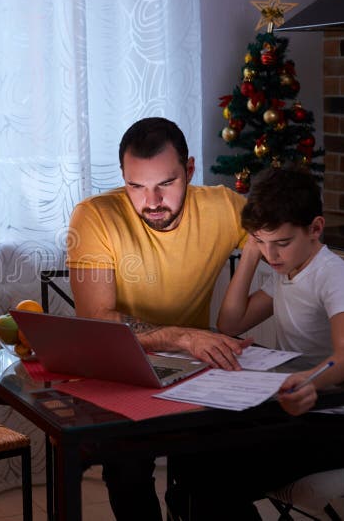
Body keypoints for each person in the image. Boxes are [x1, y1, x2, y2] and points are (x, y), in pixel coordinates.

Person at [66, 117, 253, 520]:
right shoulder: (95, 216)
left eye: (165, 184)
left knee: (215, 466)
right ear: (123, 178)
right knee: (128, 467)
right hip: (122, 373)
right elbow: (98, 321)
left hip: (197, 377)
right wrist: (185, 337)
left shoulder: (222, 206)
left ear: (188, 171)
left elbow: (301, 254)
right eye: (136, 186)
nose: (151, 201)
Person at [168, 167, 344, 520]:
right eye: (262, 242)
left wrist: (311, 379)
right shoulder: (288, 269)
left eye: (281, 243)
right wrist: (250, 255)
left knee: (213, 482)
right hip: (296, 414)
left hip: (343, 422)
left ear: (315, 228)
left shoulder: (333, 273)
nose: (272, 254)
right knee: (190, 458)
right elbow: (231, 323)